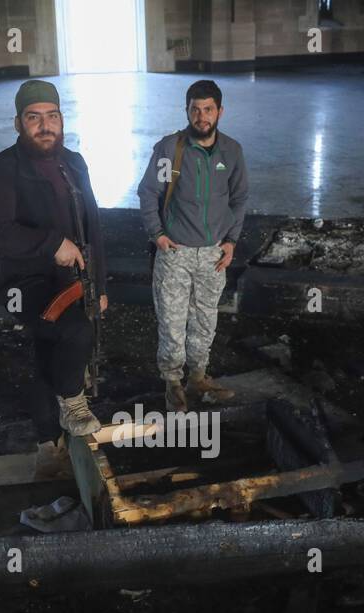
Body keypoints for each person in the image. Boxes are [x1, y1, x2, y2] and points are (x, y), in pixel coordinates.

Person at [0, 79, 107, 474]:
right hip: (24, 281)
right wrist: (52, 245)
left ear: (62, 120)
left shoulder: (74, 162)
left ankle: (50, 442)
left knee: (49, 351)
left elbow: (92, 226)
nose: (44, 125)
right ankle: (71, 404)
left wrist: (100, 284)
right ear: (18, 123)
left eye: (51, 116)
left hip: (72, 279)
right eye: (34, 118)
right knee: (74, 333)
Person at [137, 79, 249, 412]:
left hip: (214, 254)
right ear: (186, 111)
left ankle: (198, 377)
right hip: (175, 253)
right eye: (195, 109)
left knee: (205, 320)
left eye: (208, 109)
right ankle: (173, 383)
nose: (202, 116)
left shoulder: (232, 151)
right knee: (172, 321)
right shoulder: (169, 149)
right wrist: (157, 234)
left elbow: (240, 197)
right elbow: (148, 193)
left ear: (220, 111)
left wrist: (231, 241)